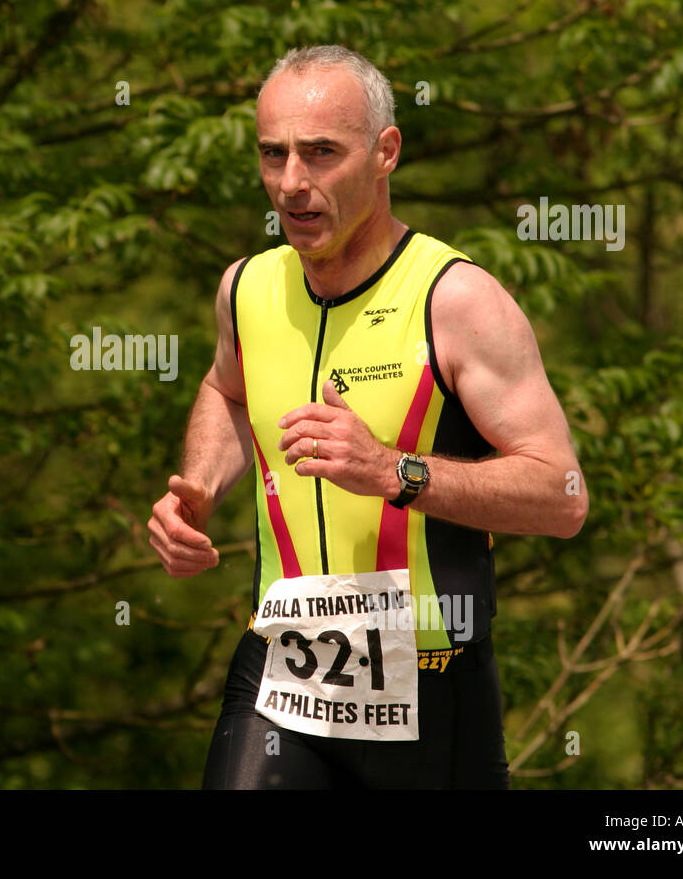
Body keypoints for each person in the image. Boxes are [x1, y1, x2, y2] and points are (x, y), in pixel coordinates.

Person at [148, 45, 589, 789]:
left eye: (321, 154)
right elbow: (228, 389)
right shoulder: (246, 288)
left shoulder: (456, 300)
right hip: (283, 668)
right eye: (273, 154)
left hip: (429, 680)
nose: (292, 183)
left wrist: (394, 471)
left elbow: (562, 497)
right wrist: (197, 488)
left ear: (386, 152)